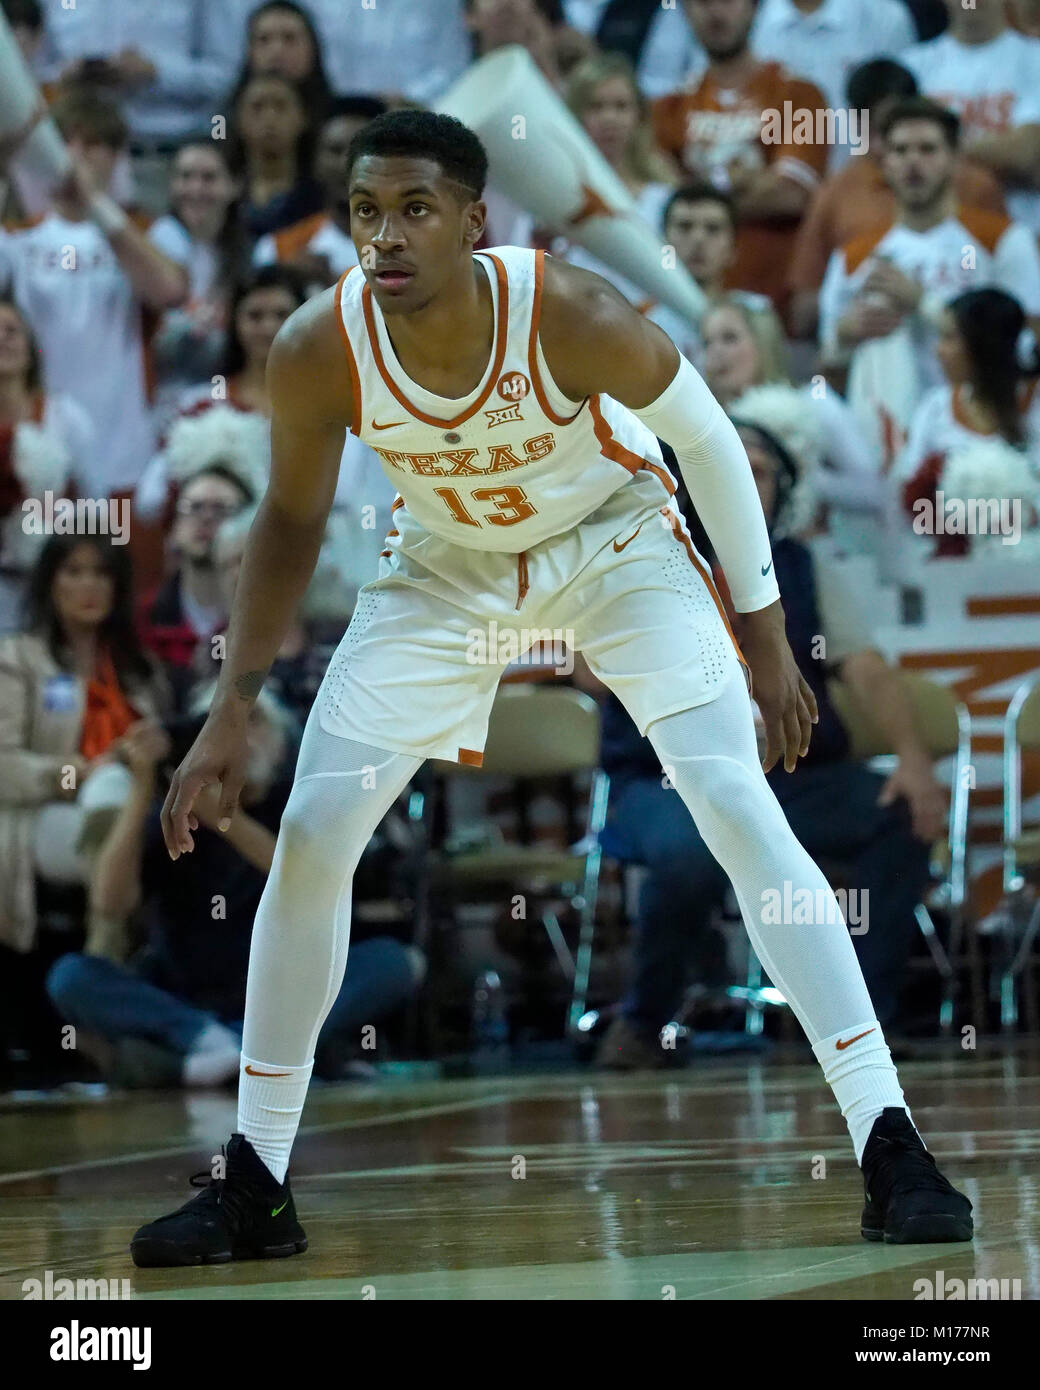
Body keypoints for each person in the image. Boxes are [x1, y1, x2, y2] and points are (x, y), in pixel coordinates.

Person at [129, 108, 972, 1267]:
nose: (385, 236)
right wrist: (230, 708)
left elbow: (711, 441)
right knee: (317, 825)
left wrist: (765, 636)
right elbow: (287, 518)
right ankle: (256, 1179)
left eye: (415, 209)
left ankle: (889, 1140)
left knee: (729, 798)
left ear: (475, 220)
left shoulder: (564, 310)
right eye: (367, 211)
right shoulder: (318, 346)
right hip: (443, 570)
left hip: (615, 545)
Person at [594, 386, 943, 1064]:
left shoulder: (805, 568)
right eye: (732, 466)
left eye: (761, 470)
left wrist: (913, 761)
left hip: (787, 774)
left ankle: (858, 1027)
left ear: (784, 489)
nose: (746, 481)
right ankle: (643, 1023)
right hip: (669, 778)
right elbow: (588, 668)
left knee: (897, 814)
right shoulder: (642, 553)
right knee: (690, 852)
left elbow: (867, 670)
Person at [45, 683, 422, 1089]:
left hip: (286, 996)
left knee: (395, 962)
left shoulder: (302, 800)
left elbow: (314, 884)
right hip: (187, 997)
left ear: (281, 743)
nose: (243, 736)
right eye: (225, 724)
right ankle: (228, 1047)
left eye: (255, 721)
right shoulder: (174, 811)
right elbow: (109, 904)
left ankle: (216, 1058)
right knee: (71, 977)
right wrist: (142, 785)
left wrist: (224, 820)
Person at [818, 97, 1040, 471]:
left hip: (982, 434)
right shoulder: (853, 257)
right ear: (884, 163)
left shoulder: (1001, 240)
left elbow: (1026, 347)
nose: (913, 162)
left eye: (928, 149)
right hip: (884, 440)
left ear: (956, 158)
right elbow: (826, 372)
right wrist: (844, 338)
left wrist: (924, 304)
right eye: (900, 150)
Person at [0, 90, 188, 498]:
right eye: (66, 140)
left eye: (93, 144)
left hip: (123, 442)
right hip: (38, 438)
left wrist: (94, 203)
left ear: (117, 155)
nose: (75, 155)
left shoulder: (151, 232)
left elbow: (169, 290)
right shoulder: (18, 238)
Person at [0, 534, 171, 959]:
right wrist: (74, 773)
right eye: (74, 572)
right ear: (50, 583)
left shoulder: (141, 670)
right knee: (109, 785)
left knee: (123, 795)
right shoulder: (16, 660)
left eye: (101, 573)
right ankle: (108, 952)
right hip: (41, 813)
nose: (89, 586)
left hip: (139, 808)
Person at [787, 59, 1007, 341]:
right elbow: (807, 312)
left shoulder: (977, 189)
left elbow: (1016, 322)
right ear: (856, 122)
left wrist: (923, 302)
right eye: (874, 130)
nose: (881, 144)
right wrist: (844, 329)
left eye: (893, 124)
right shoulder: (835, 195)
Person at [652, 0, 829, 307]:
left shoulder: (800, 95)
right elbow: (660, 200)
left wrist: (699, 188)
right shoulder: (668, 107)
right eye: (701, 3)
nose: (716, 11)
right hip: (683, 302)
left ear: (755, 7)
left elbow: (791, 195)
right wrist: (747, 181)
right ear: (684, 11)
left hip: (774, 301)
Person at [701, 297, 884, 541]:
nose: (716, 353)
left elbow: (875, 492)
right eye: (707, 343)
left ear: (763, 341)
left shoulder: (814, 404)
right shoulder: (704, 425)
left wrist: (799, 474)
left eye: (730, 338)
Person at [897, 288, 1040, 558]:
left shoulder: (1035, 405)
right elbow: (911, 498)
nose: (938, 350)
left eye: (949, 338)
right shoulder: (934, 408)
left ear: (984, 345)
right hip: (958, 567)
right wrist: (959, 523)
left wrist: (1016, 517)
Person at [900, 0, 1040, 236]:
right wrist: (995, 152)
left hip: (1022, 232)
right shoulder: (913, 66)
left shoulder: (1033, 58)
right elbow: (896, 155)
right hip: (935, 236)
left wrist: (932, 151)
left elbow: (1026, 151)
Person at [0, 298, 94, 629]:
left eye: (12, 331)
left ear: (31, 346)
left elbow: (98, 510)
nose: (2, 339)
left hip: (54, 585)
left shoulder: (66, 417)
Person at [147, 139, 251, 426]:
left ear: (235, 186)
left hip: (222, 403)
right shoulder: (155, 240)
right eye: (185, 177)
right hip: (157, 402)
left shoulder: (245, 255)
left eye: (209, 178)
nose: (195, 189)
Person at [253, 99, 388, 289]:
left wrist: (330, 282)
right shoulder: (277, 250)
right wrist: (288, 281)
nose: (346, 164)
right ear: (316, 162)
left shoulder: (411, 245)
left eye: (360, 150)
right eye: (335, 150)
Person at [228, 72, 325, 239]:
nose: (269, 118)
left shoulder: (322, 197)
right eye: (257, 107)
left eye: (281, 106)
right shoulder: (223, 196)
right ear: (238, 119)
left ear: (303, 118)